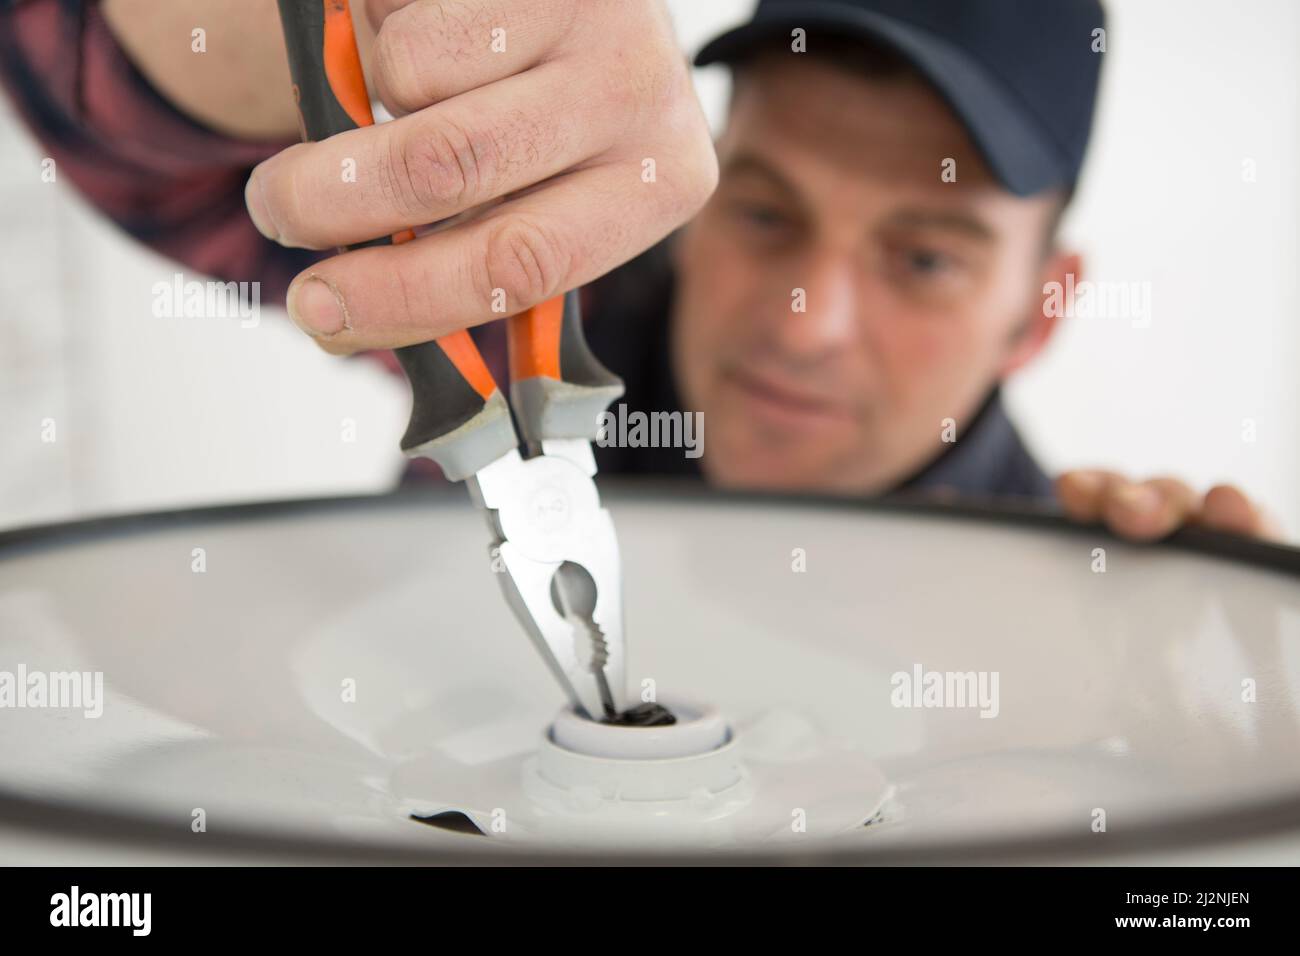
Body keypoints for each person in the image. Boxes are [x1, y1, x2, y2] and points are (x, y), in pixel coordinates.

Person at [0, 0, 1280, 541]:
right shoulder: (538, 301)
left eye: (926, 256)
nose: (808, 322)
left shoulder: (1082, 617)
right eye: (768, 215)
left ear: (1037, 312)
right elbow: (105, 118)